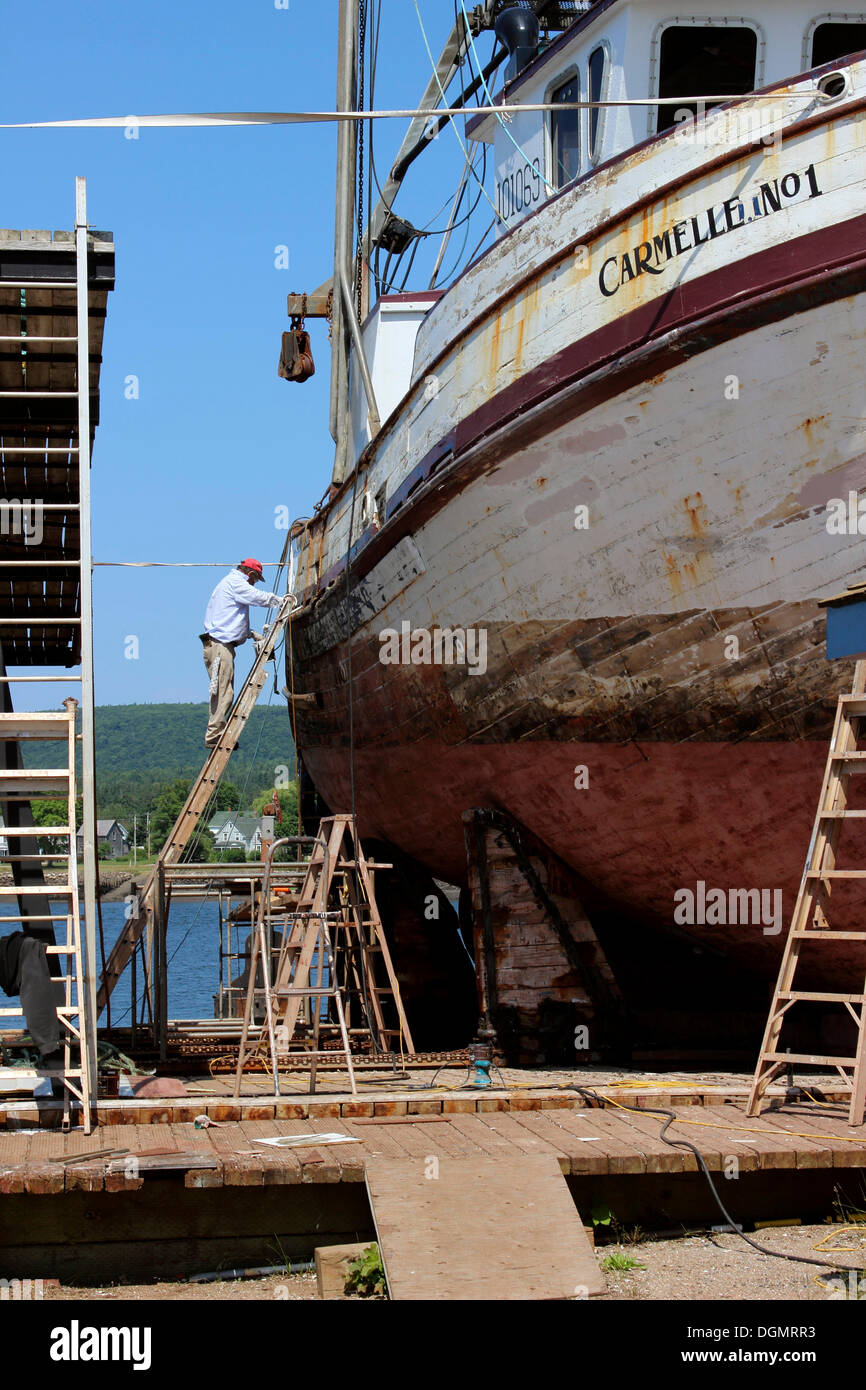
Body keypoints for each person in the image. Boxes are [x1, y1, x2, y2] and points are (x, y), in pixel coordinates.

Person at [200, 559, 284, 748]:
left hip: (219, 645)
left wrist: (250, 633)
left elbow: (228, 619)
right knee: (224, 692)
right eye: (254, 579)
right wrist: (282, 601)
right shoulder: (236, 583)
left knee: (221, 690)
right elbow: (257, 597)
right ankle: (215, 736)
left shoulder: (229, 584)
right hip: (220, 647)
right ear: (250, 574)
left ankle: (216, 733)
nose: (253, 583)